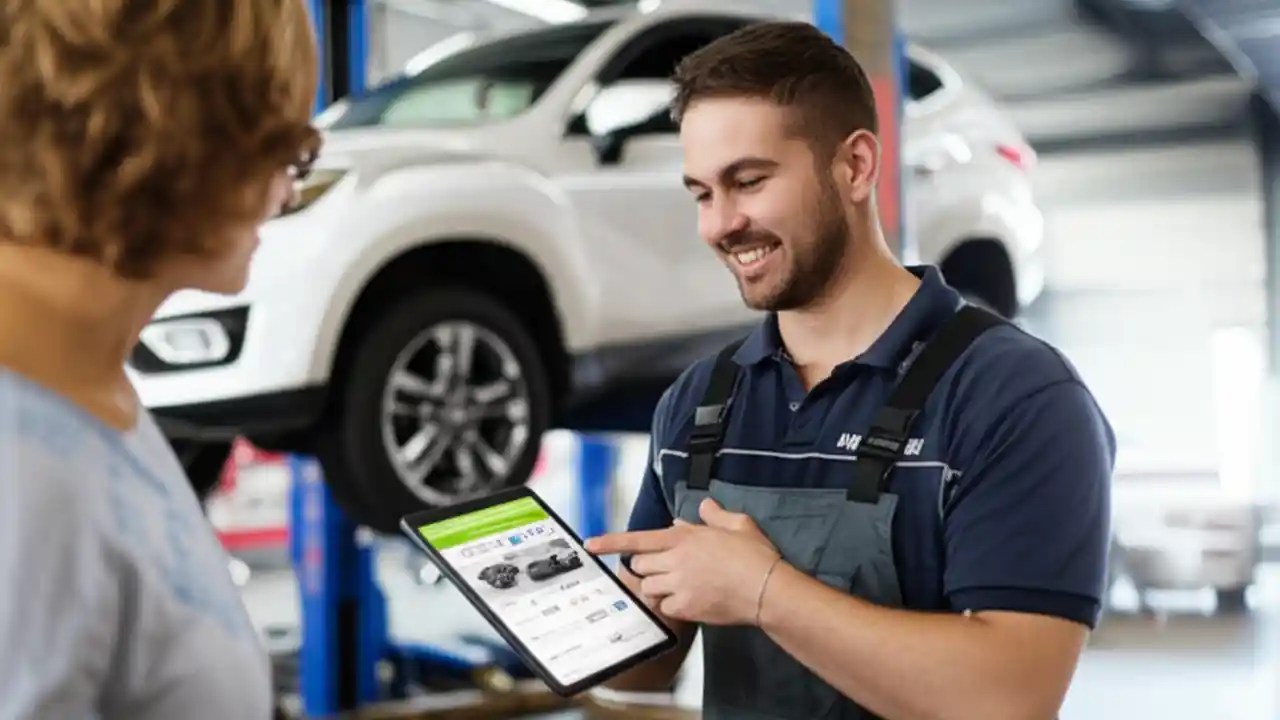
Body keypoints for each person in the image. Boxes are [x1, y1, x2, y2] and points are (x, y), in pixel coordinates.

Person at [584, 21, 1115, 720]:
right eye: (701, 194)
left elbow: (1009, 697)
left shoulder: (1014, 397)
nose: (720, 225)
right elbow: (641, 675)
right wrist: (579, 624)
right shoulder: (697, 403)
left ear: (856, 166)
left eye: (748, 181)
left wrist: (765, 591)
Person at [0, 1, 319, 717]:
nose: (290, 191)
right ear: (188, 129)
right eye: (291, 148)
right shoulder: (23, 475)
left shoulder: (91, 382)